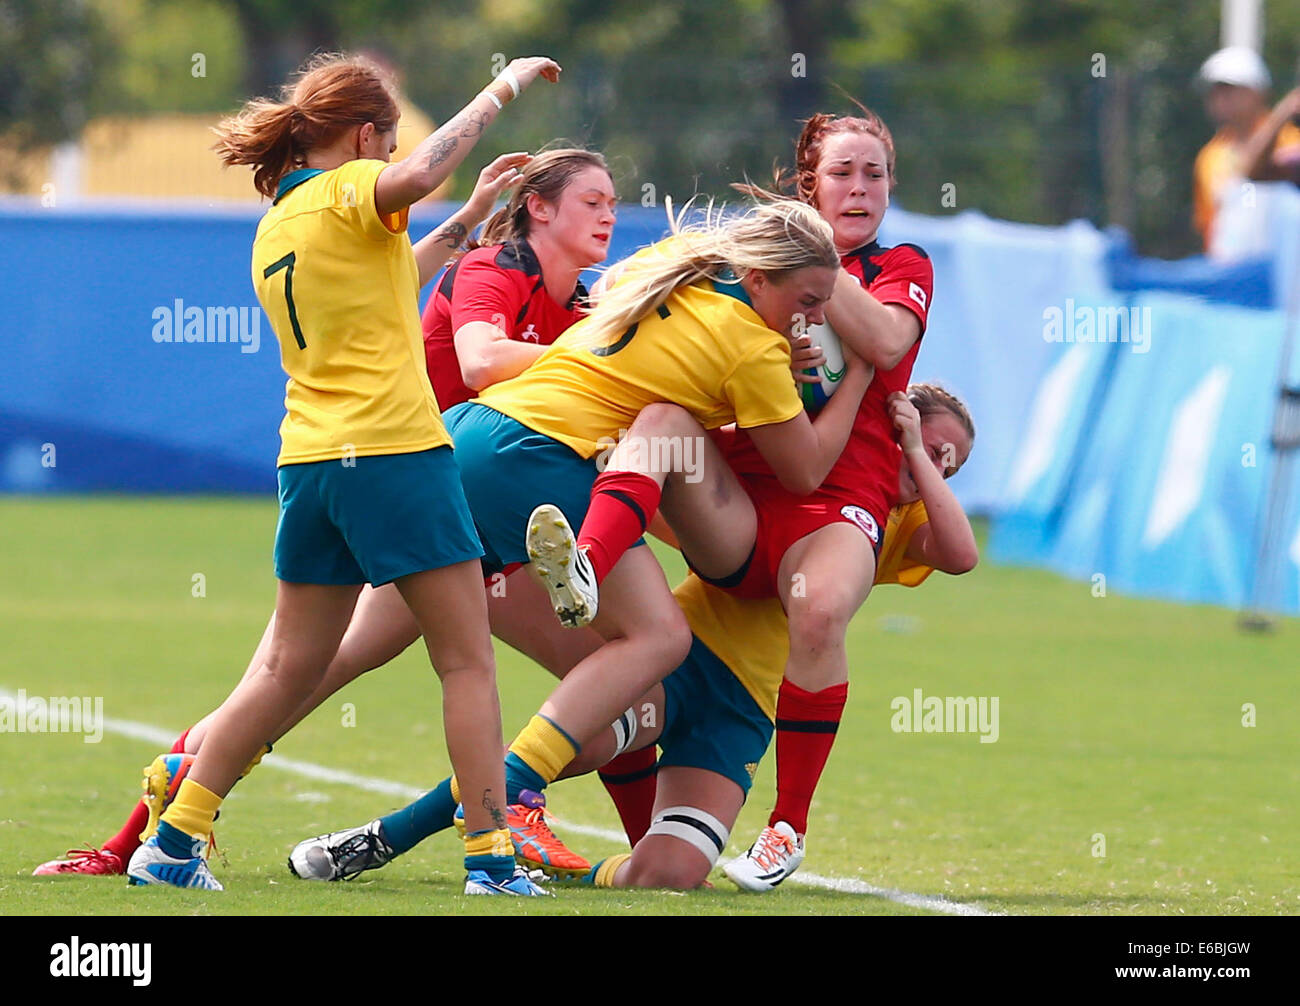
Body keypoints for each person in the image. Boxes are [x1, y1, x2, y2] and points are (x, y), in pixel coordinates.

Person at [32, 143, 613, 883]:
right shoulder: (495, 269)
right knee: (324, 671)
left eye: (612, 202)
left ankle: (179, 832)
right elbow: (481, 361)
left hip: (426, 494)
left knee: (596, 697)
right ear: (538, 207)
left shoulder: (580, 307)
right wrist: (603, 355)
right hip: (408, 483)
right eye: (592, 200)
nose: (607, 215)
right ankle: (490, 843)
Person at [120, 51, 561, 896]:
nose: (392, 157)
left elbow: (394, 279)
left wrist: (470, 217)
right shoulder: (346, 187)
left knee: (285, 668)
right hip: (394, 451)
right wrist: (502, 90)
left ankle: (174, 841)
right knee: (467, 663)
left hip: (312, 461)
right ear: (365, 136)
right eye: (384, 140)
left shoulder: (282, 219)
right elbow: (418, 171)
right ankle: (491, 858)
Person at [286, 385, 975, 891]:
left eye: (952, 464)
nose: (935, 466)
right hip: (683, 661)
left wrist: (920, 450)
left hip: (743, 712)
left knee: (669, 873)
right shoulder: (801, 471)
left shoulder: (893, 524)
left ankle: (572, 874)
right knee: (571, 747)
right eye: (927, 441)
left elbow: (961, 552)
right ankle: (382, 838)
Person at [547, 106, 948, 887]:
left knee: (822, 609)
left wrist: (802, 267)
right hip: (741, 491)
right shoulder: (754, 265)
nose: (860, 187)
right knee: (660, 426)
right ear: (810, 185)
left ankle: (786, 826)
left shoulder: (899, 264)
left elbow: (891, 342)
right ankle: (584, 566)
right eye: (842, 172)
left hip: (835, 502)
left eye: (875, 174)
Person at [1193, 46, 1300, 252]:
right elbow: (1208, 222)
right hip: (1232, 271)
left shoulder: (1291, 139)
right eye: (1214, 91)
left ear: (1258, 91)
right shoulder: (1210, 156)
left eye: (1229, 89)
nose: (1220, 98)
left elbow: (1255, 172)